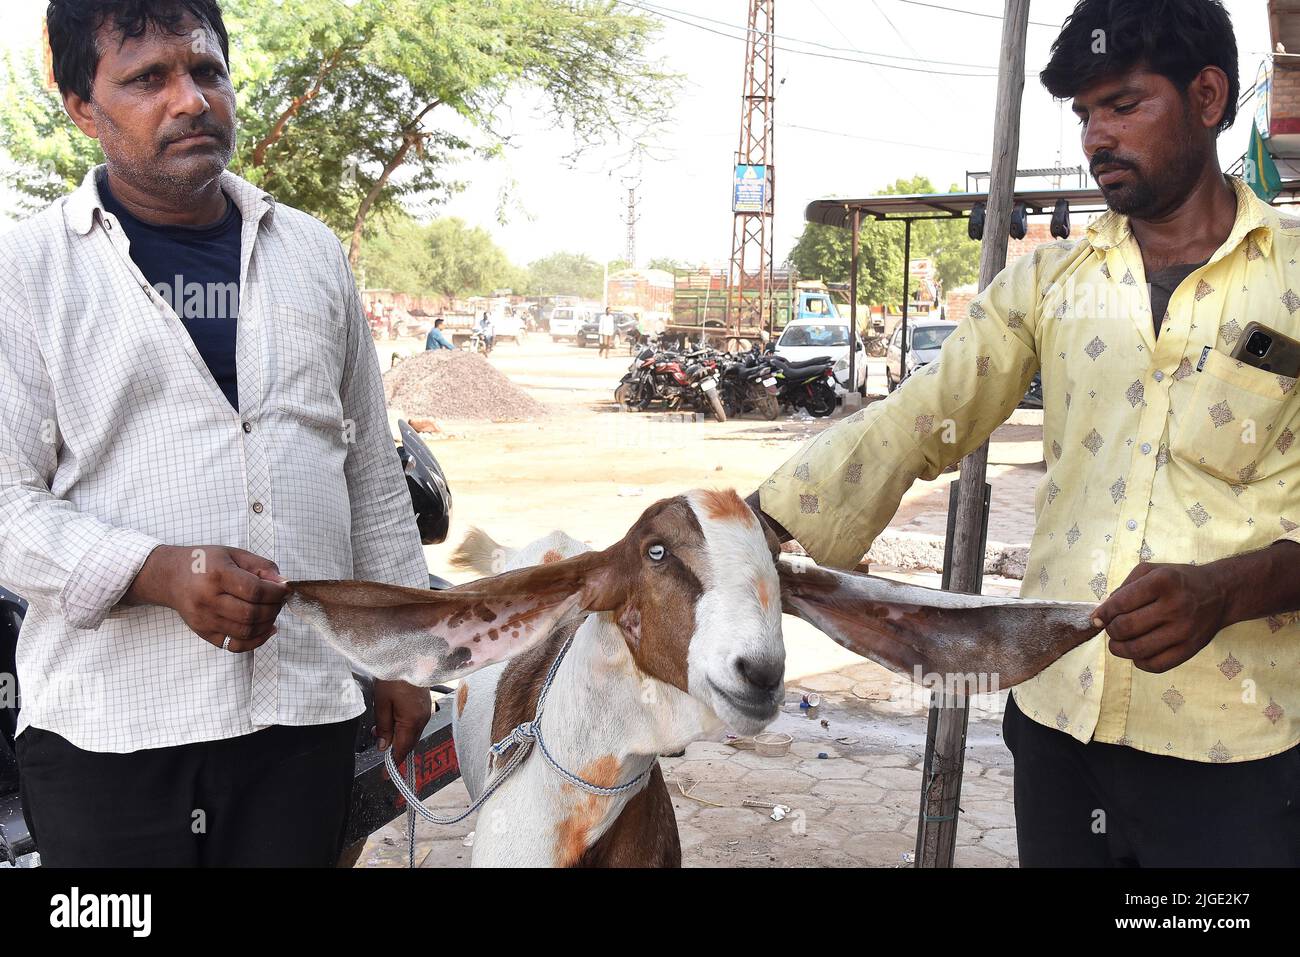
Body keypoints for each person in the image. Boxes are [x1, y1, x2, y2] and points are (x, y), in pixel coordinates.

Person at [749, 0, 1300, 867]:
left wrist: (1224, 590)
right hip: (1059, 723)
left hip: (1235, 745)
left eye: (1122, 105)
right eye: (1084, 114)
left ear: (1207, 96)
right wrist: (758, 525)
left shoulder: (1297, 278)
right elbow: (922, 413)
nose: (1095, 137)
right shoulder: (1047, 282)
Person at [0, 0, 431, 867]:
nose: (191, 100)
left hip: (301, 716)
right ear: (83, 108)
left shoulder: (310, 254)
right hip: (111, 731)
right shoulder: (28, 273)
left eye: (205, 71)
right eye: (147, 79)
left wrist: (403, 652)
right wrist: (156, 571)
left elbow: (369, 477)